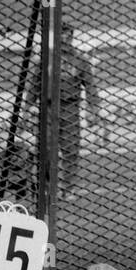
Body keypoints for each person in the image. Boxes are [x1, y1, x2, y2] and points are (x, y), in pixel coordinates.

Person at [28, 22, 98, 197]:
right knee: (45, 150)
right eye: (62, 34)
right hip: (48, 108)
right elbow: (34, 85)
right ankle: (46, 187)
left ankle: (67, 189)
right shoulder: (46, 58)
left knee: (71, 150)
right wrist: (27, 108)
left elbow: (90, 87)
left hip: (70, 107)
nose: (66, 38)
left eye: (69, 34)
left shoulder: (81, 60)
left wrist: (93, 109)